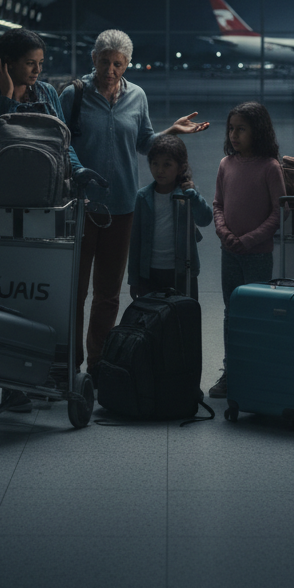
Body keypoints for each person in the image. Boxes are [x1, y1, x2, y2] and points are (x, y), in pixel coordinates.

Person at [58, 29, 209, 377]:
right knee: (75, 291)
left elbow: (144, 143)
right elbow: (61, 141)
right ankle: (68, 361)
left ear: (127, 64)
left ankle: (97, 361)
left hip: (122, 207)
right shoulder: (74, 95)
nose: (110, 69)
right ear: (93, 59)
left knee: (108, 293)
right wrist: (79, 170)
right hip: (81, 206)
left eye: (118, 63)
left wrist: (170, 131)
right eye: (104, 61)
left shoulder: (137, 96)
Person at [208, 102, 286, 400]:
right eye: (231, 129)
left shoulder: (270, 167)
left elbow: (279, 214)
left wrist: (250, 239)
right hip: (230, 253)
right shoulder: (225, 164)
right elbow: (218, 205)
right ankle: (232, 370)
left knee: (256, 314)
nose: (234, 134)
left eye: (241, 129)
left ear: (259, 131)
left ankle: (255, 370)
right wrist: (225, 233)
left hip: (257, 255)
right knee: (232, 312)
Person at [0, 27, 82, 172]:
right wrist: (7, 97)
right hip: (2, 183)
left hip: (46, 179)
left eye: (40, 63)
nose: (37, 70)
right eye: (30, 63)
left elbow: (64, 142)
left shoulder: (47, 92)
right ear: (9, 63)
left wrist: (78, 170)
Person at [128, 135, 213, 300]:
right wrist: (134, 279)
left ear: (181, 168)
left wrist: (194, 196)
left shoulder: (187, 195)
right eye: (155, 164)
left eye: (167, 165)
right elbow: (135, 240)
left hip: (182, 271)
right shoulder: (143, 197)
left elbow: (205, 219)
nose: (160, 170)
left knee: (182, 319)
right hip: (150, 272)